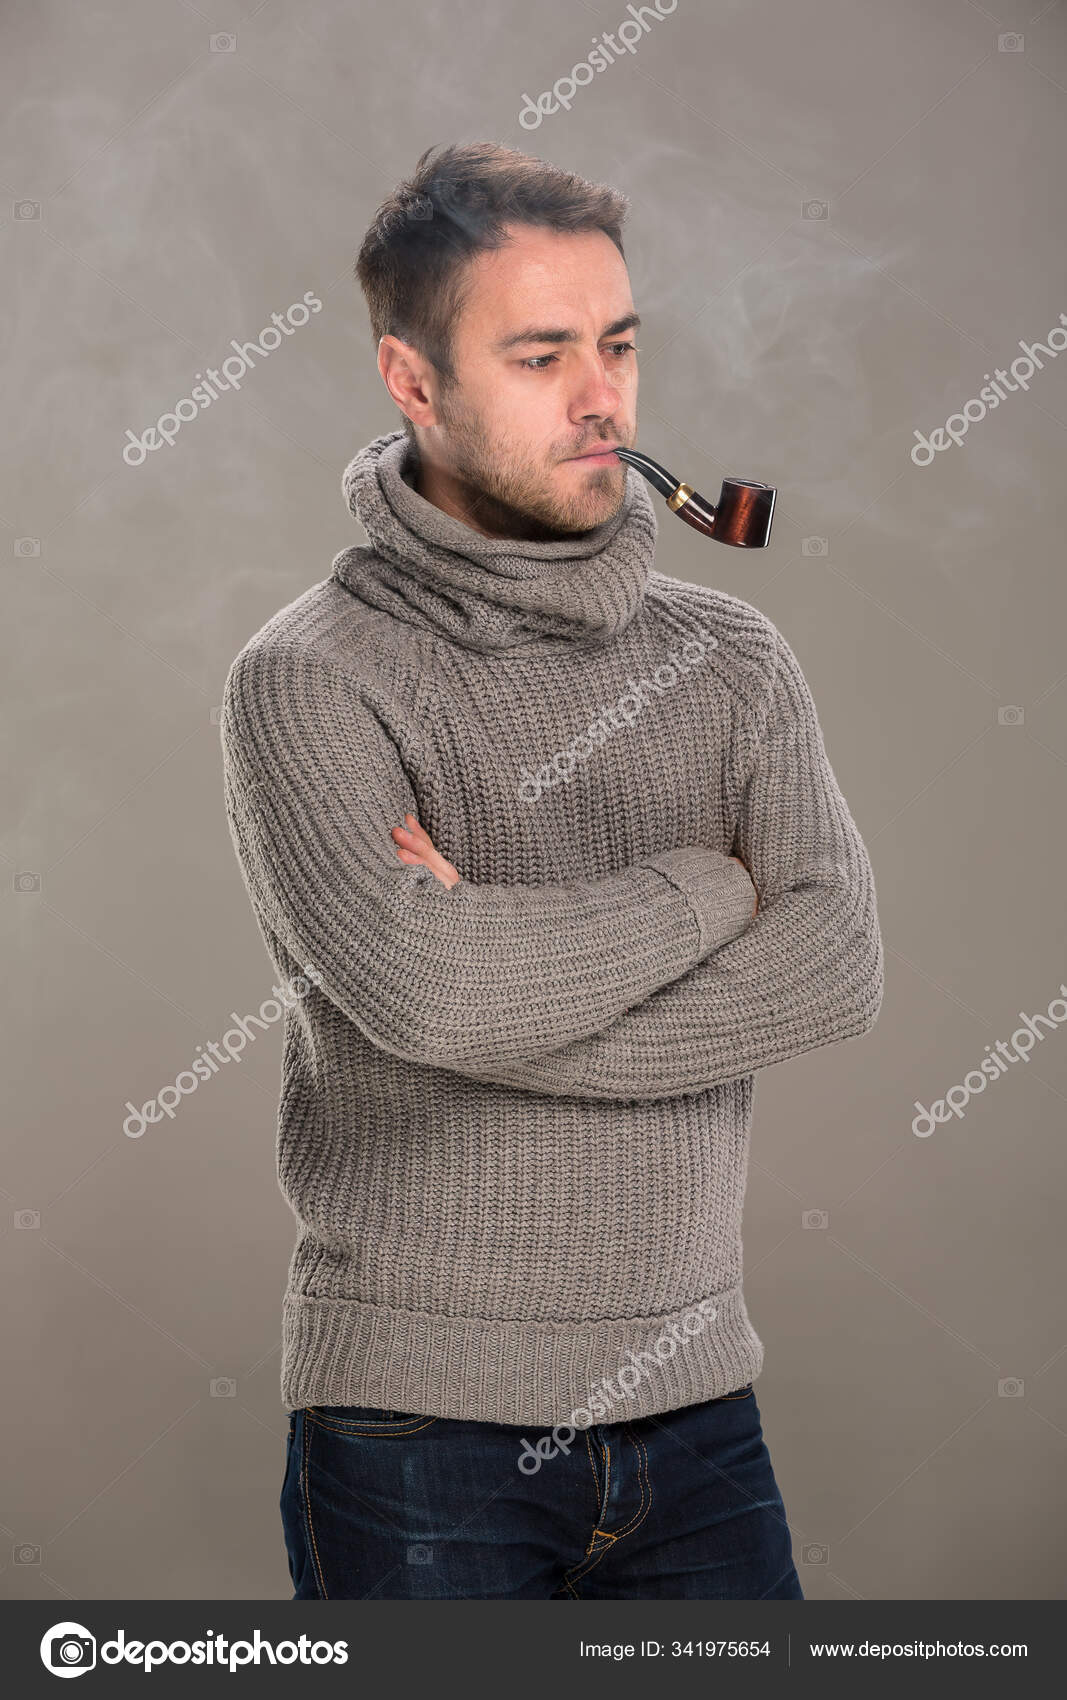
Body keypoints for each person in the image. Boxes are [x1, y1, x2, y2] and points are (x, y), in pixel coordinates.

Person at [220, 140, 884, 1600]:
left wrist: (505, 981)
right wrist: (711, 888)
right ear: (411, 380)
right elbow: (435, 997)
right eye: (540, 356)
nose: (603, 400)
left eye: (618, 345)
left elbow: (837, 963)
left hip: (702, 1410)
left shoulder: (732, 657)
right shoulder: (310, 677)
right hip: (416, 1430)